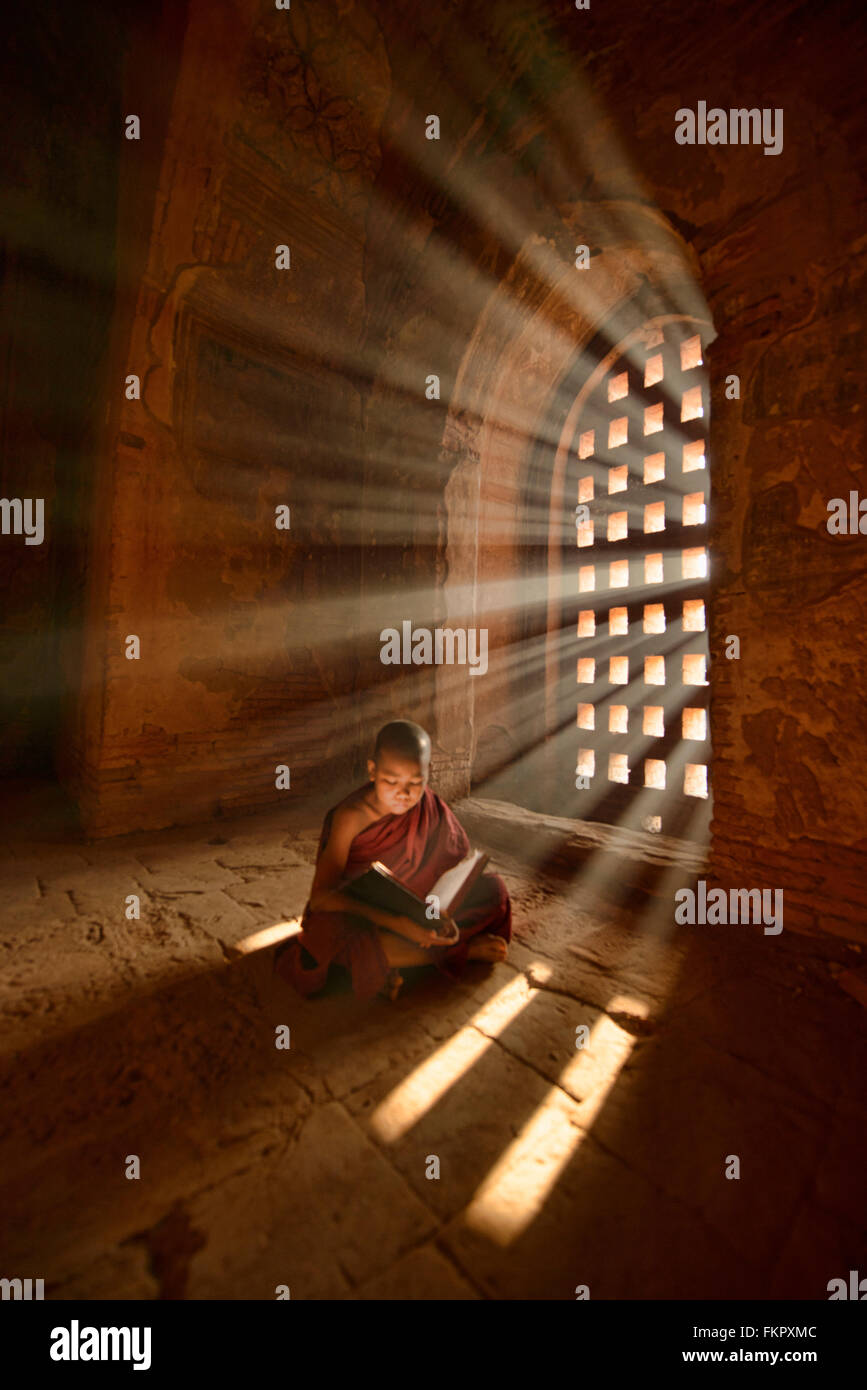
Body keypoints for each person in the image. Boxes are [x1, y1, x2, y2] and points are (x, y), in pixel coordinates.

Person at [276, 720, 511, 1001]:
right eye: (391, 781)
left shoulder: (430, 806)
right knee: (322, 938)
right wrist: (398, 922)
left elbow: (451, 866)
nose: (405, 793)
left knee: (495, 891)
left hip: (419, 905)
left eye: (416, 782)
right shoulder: (350, 817)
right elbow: (322, 898)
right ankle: (463, 951)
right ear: (372, 770)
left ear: (429, 773)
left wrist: (439, 911)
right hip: (364, 912)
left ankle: (393, 962)